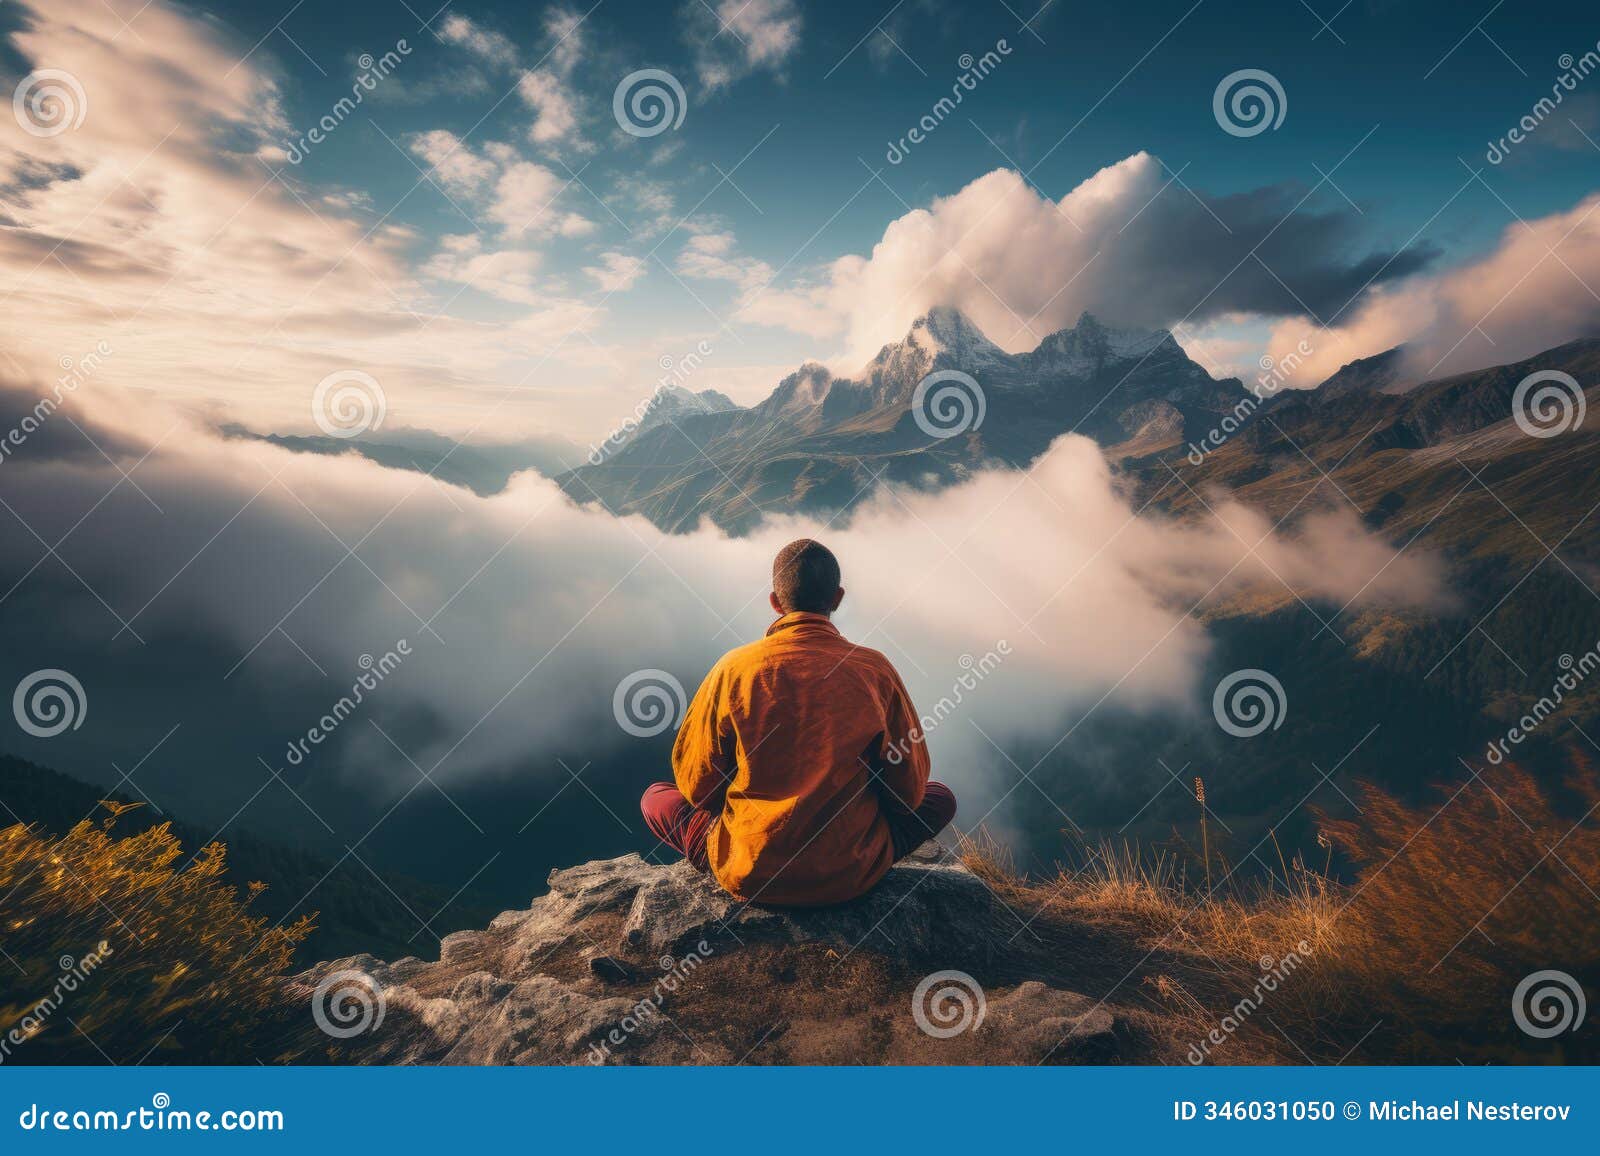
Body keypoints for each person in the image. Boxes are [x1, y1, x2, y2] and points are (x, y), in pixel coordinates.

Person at [639, 538, 957, 906]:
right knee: (940, 798)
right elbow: (909, 794)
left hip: (750, 872)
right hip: (850, 873)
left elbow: (697, 789)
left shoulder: (734, 669)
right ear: (837, 599)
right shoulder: (874, 669)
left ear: (775, 602)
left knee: (655, 799)